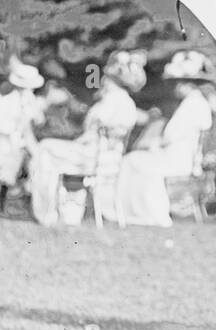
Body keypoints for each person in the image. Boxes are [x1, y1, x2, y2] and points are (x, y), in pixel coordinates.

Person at [28, 51, 147, 226]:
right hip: (109, 161)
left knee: (45, 148)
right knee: (50, 148)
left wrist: (77, 141)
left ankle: (46, 212)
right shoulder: (127, 104)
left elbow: (93, 134)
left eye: (106, 77)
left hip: (91, 157)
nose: (102, 81)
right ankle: (62, 211)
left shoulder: (110, 102)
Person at [112, 51, 216, 227]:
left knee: (132, 161)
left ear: (187, 84)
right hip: (180, 156)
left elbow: (172, 136)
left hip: (179, 159)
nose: (175, 88)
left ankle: (144, 213)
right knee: (133, 160)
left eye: (177, 83)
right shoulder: (192, 104)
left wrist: (155, 143)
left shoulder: (193, 106)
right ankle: (132, 211)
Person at [0, 62, 45, 213]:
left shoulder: (30, 102)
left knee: (34, 167)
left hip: (26, 142)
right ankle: (1, 203)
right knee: (7, 172)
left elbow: (38, 120)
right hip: (9, 143)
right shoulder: (7, 102)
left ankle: (29, 203)